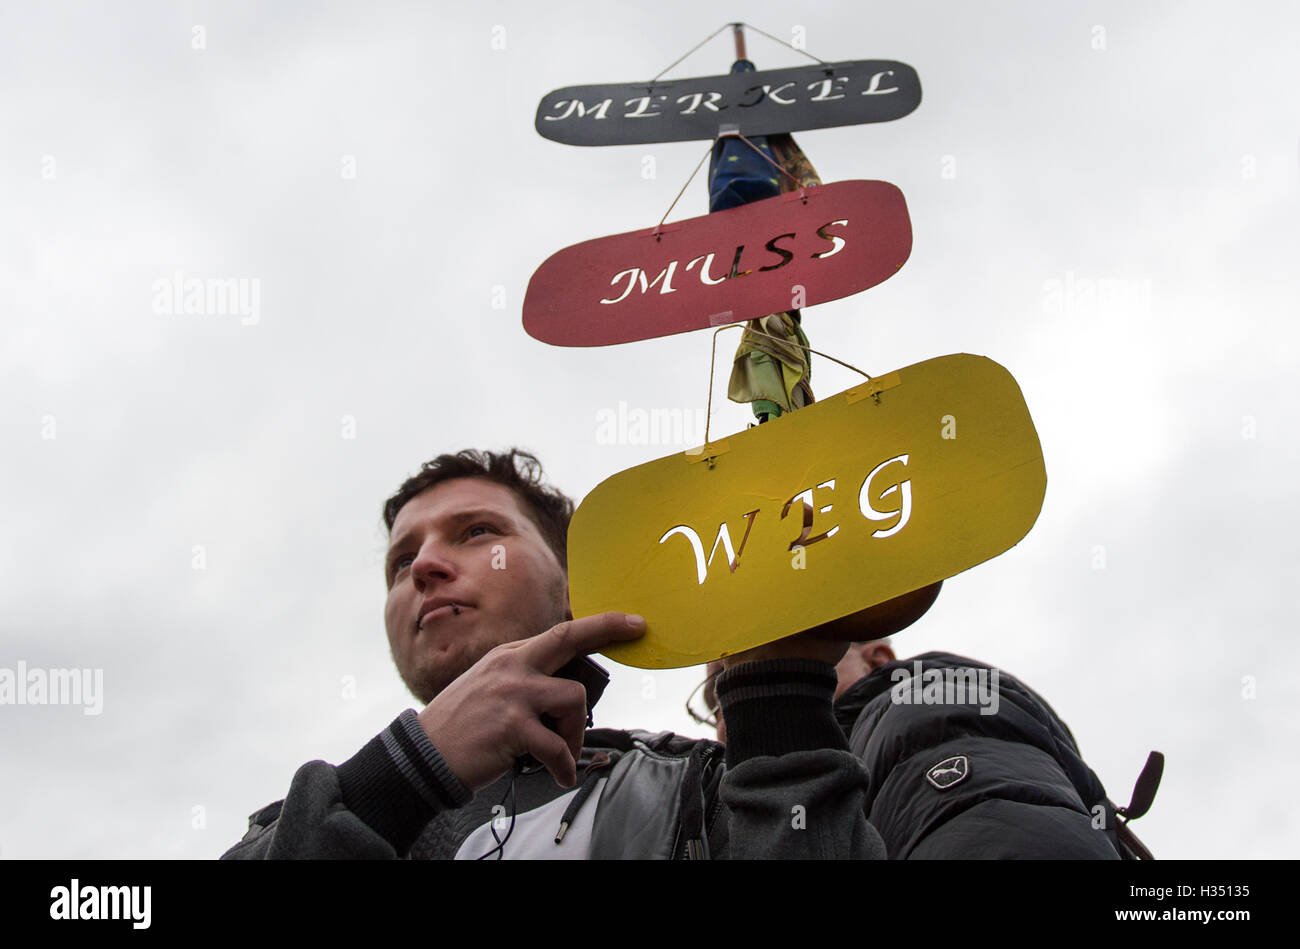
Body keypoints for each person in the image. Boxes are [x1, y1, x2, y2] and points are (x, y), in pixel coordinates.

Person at [222, 448, 893, 859]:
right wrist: (406, 772)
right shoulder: (296, 825)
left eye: (475, 531)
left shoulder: (700, 785)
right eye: (402, 559)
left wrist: (780, 699)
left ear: (576, 585)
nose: (424, 564)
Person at [695, 641, 1149, 859]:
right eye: (720, 695)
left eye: (767, 650)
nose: (731, 708)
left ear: (879, 659)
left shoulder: (921, 710)